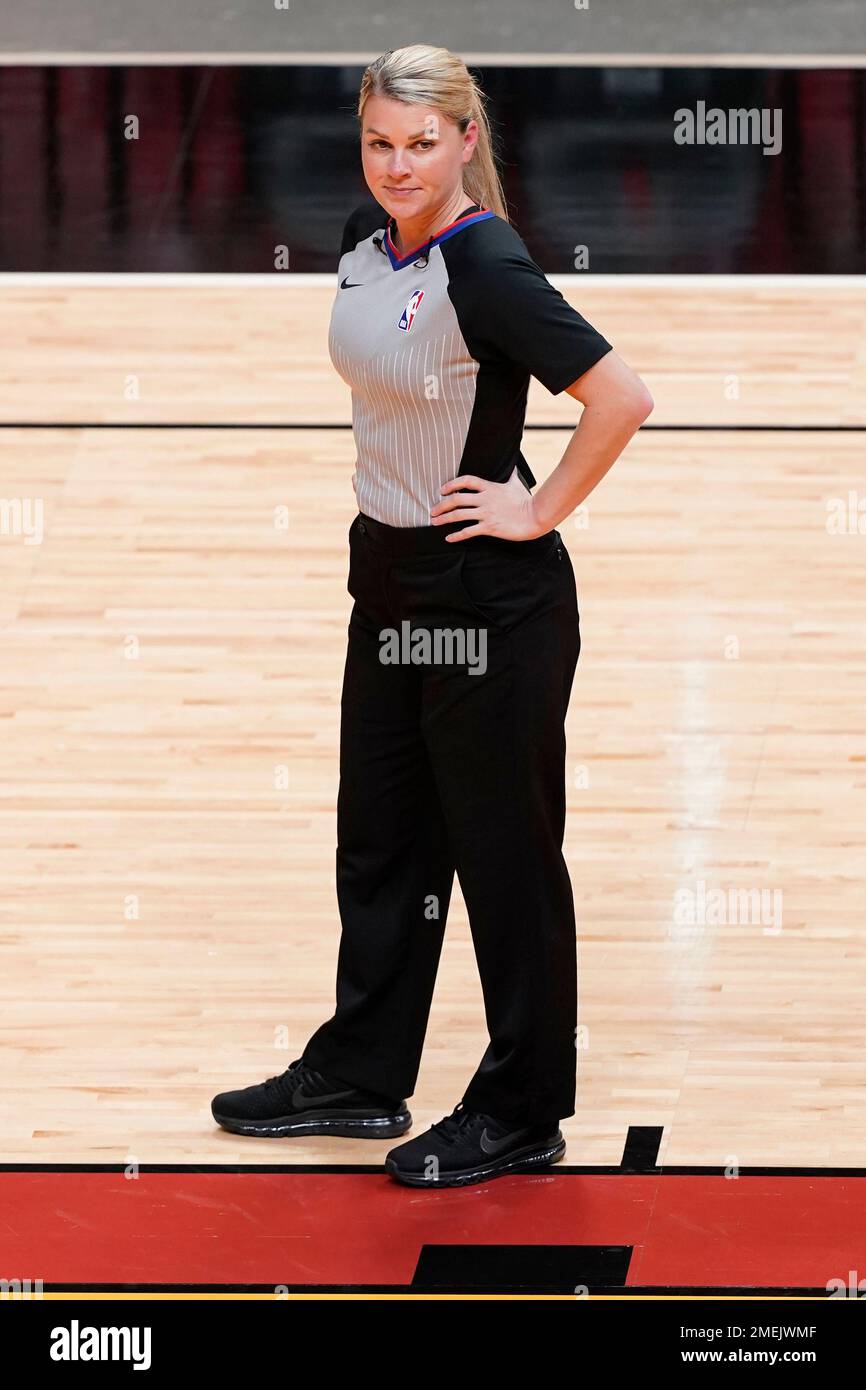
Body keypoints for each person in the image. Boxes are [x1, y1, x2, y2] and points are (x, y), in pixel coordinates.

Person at [212, 43, 653, 1188]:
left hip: (486, 599)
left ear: (466, 141)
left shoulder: (486, 266)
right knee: (385, 840)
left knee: (504, 859)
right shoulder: (370, 252)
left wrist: (535, 508)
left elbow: (621, 396)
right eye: (377, 143)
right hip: (388, 580)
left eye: (420, 144)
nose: (396, 166)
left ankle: (521, 1108)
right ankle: (360, 1070)